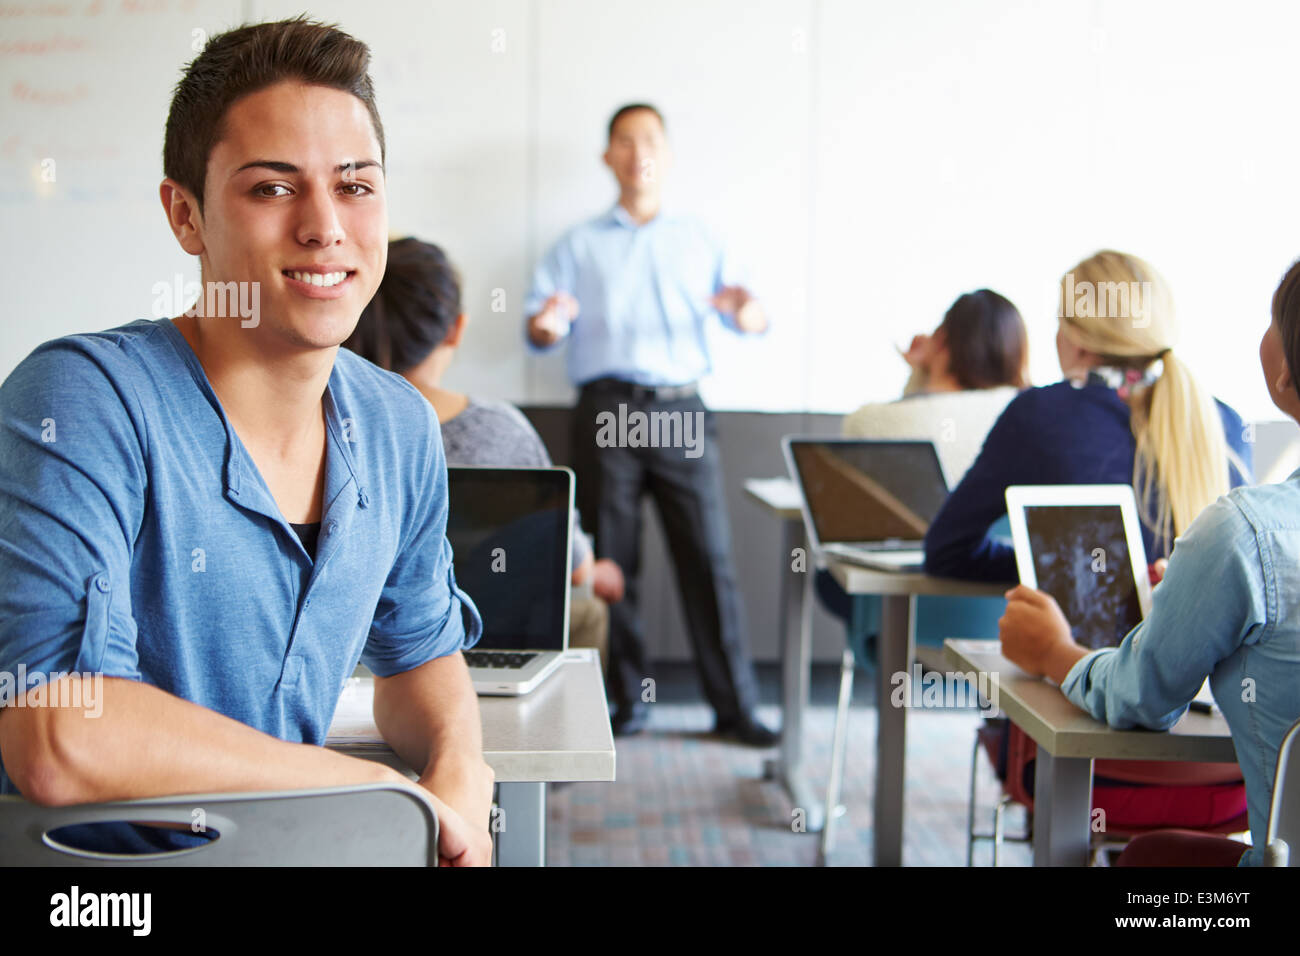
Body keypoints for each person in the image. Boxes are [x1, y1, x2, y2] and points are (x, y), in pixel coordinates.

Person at [0, 18, 494, 865]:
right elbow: (58, 733)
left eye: (356, 185)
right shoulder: (84, 398)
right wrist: (374, 790)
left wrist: (459, 763)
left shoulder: (397, 425)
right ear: (184, 215)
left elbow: (421, 658)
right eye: (272, 189)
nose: (325, 226)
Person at [999, 257, 1300, 866]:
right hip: (1225, 801)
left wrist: (1055, 650)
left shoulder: (1247, 533)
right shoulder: (1231, 471)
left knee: (1147, 869)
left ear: (1284, 369)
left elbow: (1141, 700)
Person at [524, 103, 775, 744]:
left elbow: (752, 316)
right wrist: (547, 323)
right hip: (608, 409)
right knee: (614, 563)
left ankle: (735, 707)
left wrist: (747, 313)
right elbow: (539, 327)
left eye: (650, 140)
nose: (638, 153)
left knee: (708, 560)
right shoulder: (576, 244)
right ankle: (625, 704)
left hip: (681, 409)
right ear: (608, 155)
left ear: (666, 153)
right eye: (625, 141)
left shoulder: (701, 237)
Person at [343, 237, 625, 669]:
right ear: (456, 328)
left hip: (353, 650)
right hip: (482, 636)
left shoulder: (325, 425)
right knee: (589, 608)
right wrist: (594, 568)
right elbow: (573, 566)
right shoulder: (502, 430)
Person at [925, 250, 1252, 582]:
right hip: (1201, 635)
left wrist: (1055, 564)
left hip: (1080, 636)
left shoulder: (1039, 415)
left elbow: (948, 549)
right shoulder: (1225, 423)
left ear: (1077, 341)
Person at [818, 289, 1029, 643]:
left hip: (906, 624)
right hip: (1012, 625)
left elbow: (891, 420)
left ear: (942, 342)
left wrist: (919, 372)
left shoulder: (876, 421)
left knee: (827, 581)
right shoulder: (1031, 413)